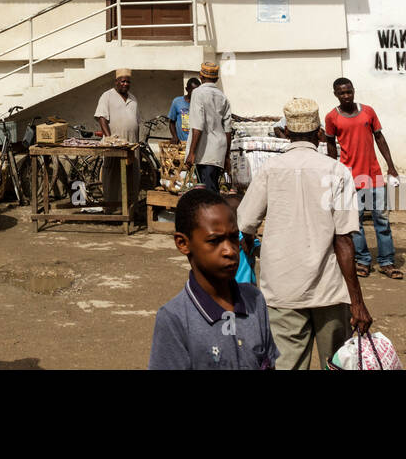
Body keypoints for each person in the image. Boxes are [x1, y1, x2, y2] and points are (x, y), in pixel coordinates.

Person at [236, 97, 372, 370]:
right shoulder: (337, 171)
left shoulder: (270, 170)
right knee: (336, 364)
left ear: (285, 133)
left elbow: (246, 222)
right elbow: (344, 239)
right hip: (329, 291)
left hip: (283, 289)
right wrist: (357, 301)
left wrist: (251, 243)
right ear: (319, 133)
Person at [148, 188, 279, 370]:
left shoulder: (254, 300)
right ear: (183, 243)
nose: (230, 251)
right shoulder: (175, 318)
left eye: (233, 238)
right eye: (215, 240)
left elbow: (268, 363)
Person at [324, 78, 402, 280]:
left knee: (382, 220)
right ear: (335, 94)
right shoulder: (331, 118)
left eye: (349, 92)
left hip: (374, 175)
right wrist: (333, 171)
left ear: (354, 91)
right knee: (355, 223)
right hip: (350, 177)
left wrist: (391, 166)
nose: (346, 96)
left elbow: (380, 138)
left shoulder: (368, 111)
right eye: (342, 93)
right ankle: (363, 260)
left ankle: (387, 262)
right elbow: (330, 145)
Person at [94, 69, 140, 213]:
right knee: (113, 177)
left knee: (131, 176)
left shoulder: (133, 99)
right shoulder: (107, 96)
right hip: (114, 145)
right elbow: (102, 118)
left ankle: (129, 209)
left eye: (128, 81)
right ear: (116, 82)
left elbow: (137, 121)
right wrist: (110, 139)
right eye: (122, 81)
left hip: (131, 145)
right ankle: (112, 209)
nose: (125, 84)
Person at [187, 62, 233, 193]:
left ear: (201, 77)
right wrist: (227, 156)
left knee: (207, 194)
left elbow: (198, 125)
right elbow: (228, 130)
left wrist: (192, 152)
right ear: (217, 79)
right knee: (212, 188)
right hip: (219, 150)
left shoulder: (197, 93)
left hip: (205, 151)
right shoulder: (223, 97)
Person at [168, 77, 200, 145]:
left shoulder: (201, 104)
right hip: (181, 143)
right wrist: (175, 136)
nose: (196, 94)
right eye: (193, 91)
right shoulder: (177, 102)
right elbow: (171, 122)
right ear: (187, 89)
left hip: (196, 144)